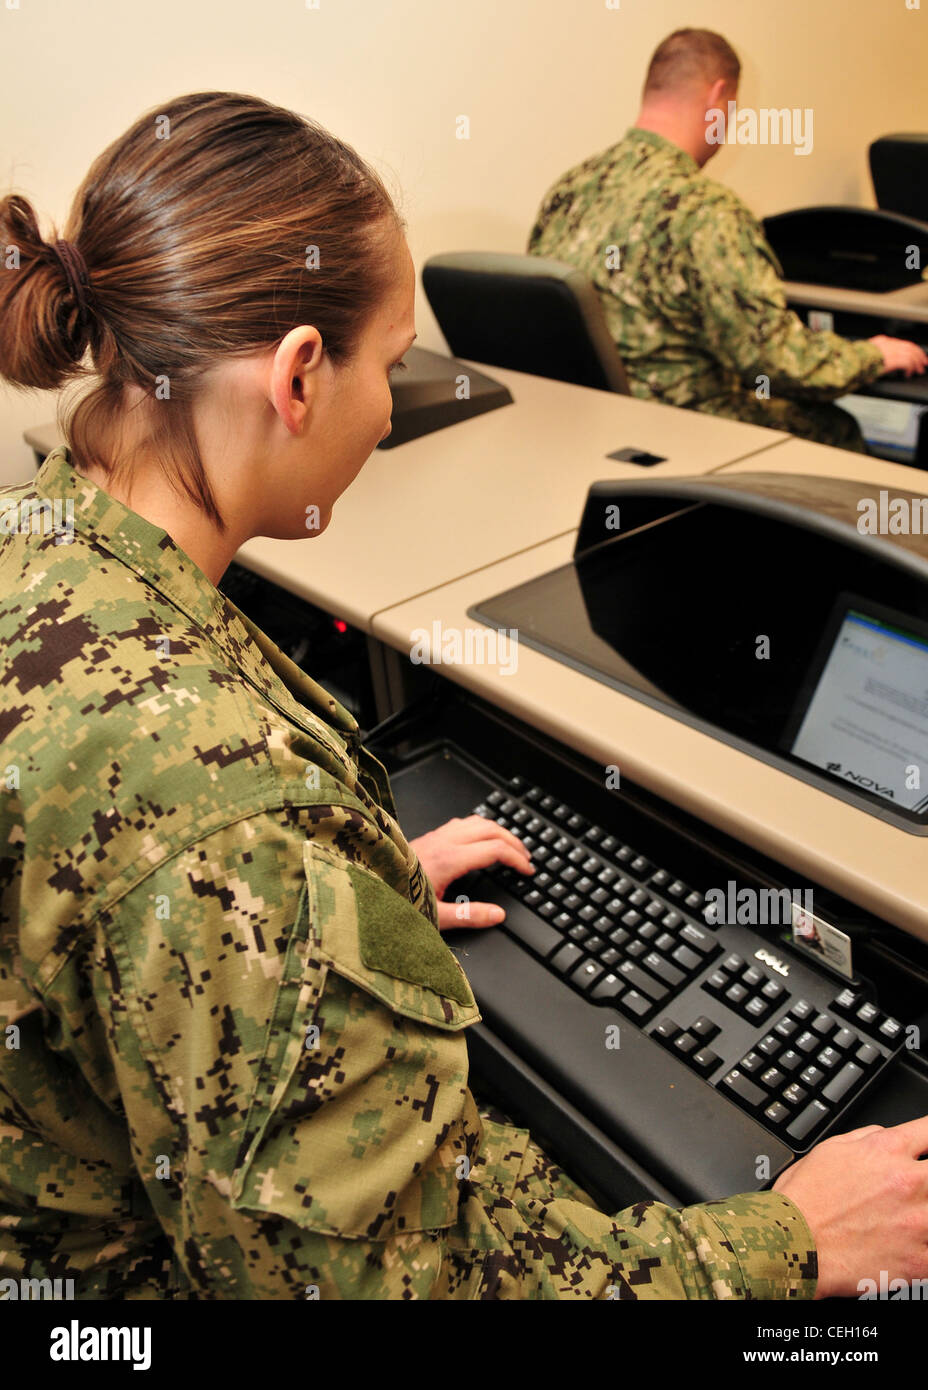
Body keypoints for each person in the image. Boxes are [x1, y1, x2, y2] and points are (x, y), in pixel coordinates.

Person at [1, 91, 927, 1302]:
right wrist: (794, 1244)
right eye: (389, 366)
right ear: (297, 378)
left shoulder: (52, 545)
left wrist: (351, 898)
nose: (394, 404)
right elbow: (396, 1285)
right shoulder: (231, 821)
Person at [527, 28, 928, 452]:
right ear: (717, 97)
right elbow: (778, 362)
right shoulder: (706, 210)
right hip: (684, 431)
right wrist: (874, 355)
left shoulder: (570, 187)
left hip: (585, 424)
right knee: (835, 427)